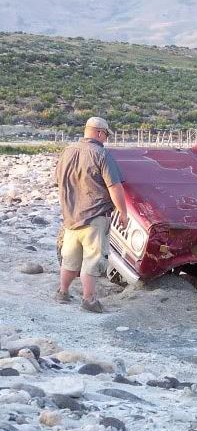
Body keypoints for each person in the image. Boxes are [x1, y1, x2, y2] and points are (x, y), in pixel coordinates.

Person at [55, 116, 127, 313]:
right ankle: (89, 300)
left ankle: (62, 292)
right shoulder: (101, 154)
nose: (106, 139)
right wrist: (123, 212)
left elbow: (59, 180)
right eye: (106, 135)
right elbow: (115, 187)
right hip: (95, 215)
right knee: (92, 259)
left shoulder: (67, 152)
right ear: (99, 133)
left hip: (71, 216)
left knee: (70, 257)